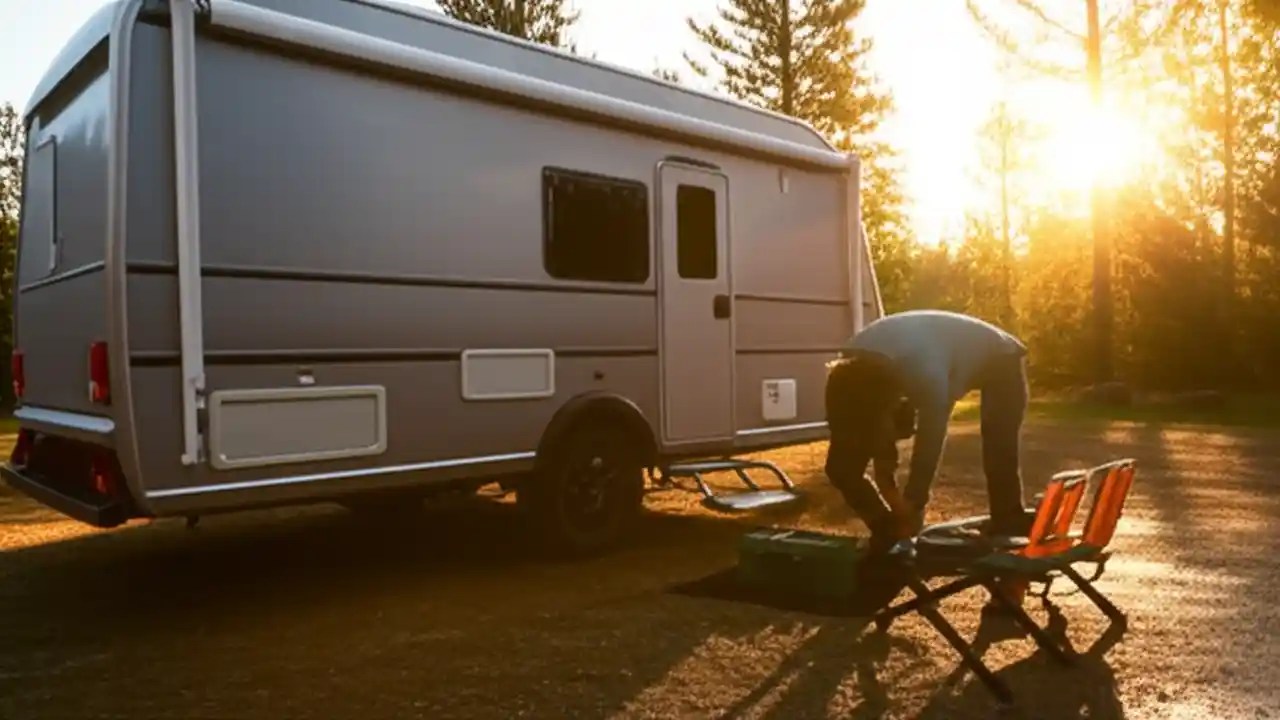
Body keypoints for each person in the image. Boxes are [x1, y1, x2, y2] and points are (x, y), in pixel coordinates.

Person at [824, 310, 1033, 555]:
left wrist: (914, 502)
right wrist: (887, 486)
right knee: (840, 467)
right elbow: (865, 428)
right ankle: (887, 529)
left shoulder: (925, 377)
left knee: (999, 445)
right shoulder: (848, 373)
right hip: (920, 353)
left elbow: (929, 444)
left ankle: (1008, 520)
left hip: (1001, 355)